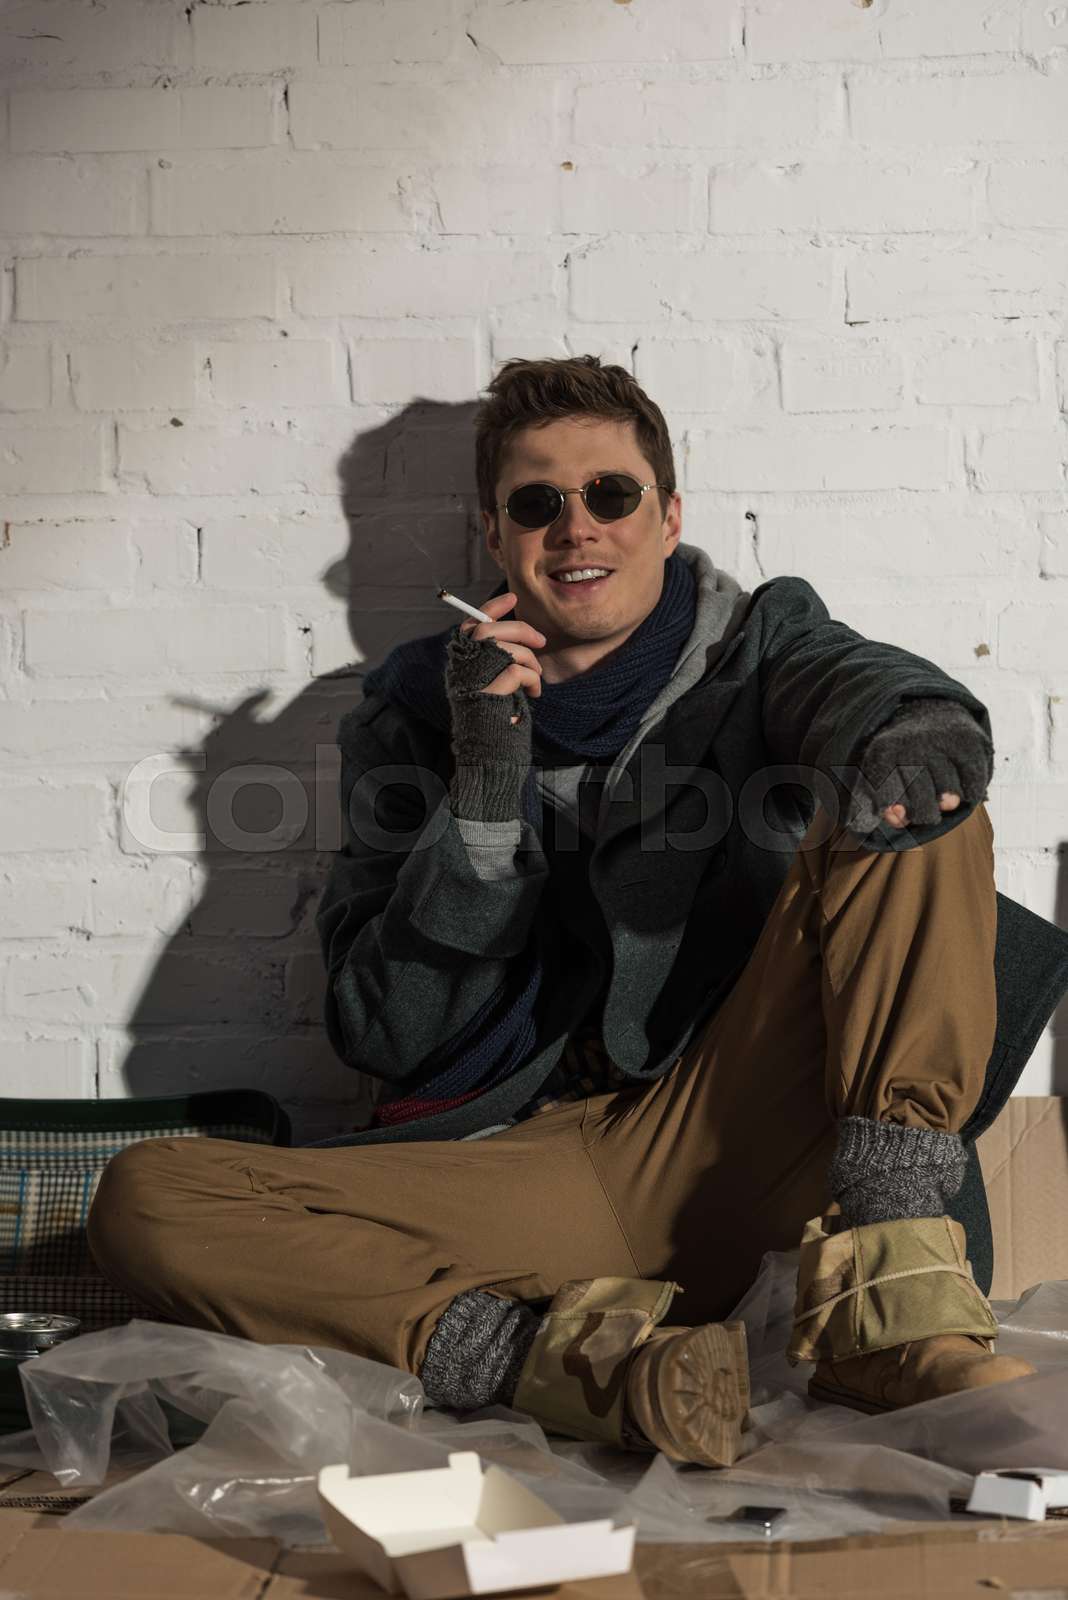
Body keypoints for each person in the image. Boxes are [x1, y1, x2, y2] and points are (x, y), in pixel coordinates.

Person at [88, 356, 1037, 1469]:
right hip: (532, 1173)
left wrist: (911, 721)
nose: (575, 526)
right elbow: (382, 1030)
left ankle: (894, 1302)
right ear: (496, 535)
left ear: (669, 515)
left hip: (738, 1126)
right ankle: (596, 1371)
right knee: (148, 1196)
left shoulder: (760, 644)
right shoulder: (408, 719)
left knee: (912, 805)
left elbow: (851, 682)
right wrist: (486, 787)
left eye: (612, 494)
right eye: (538, 503)